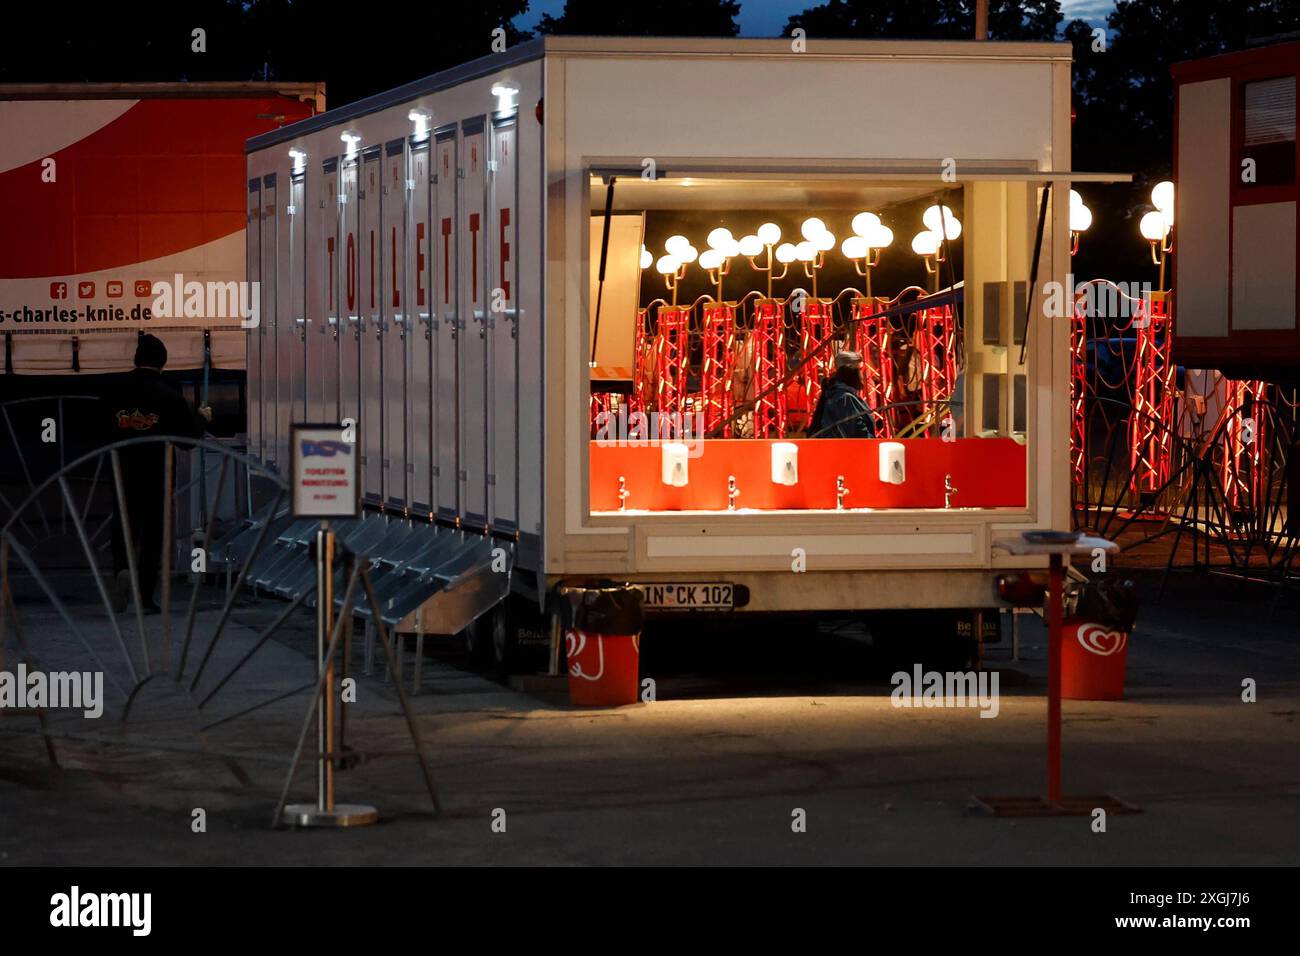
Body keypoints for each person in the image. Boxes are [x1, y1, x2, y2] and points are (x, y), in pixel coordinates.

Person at [103, 334, 211, 613]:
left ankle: (121, 570)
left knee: (123, 523)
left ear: (135, 360)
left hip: (121, 468)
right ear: (162, 363)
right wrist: (201, 418)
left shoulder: (112, 391)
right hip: (156, 474)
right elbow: (186, 440)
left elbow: (97, 430)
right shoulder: (169, 396)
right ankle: (144, 596)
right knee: (153, 534)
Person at [808, 350, 877, 438]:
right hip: (849, 450)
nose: (862, 374)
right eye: (859, 370)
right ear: (850, 372)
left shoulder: (836, 394)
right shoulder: (844, 398)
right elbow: (858, 433)